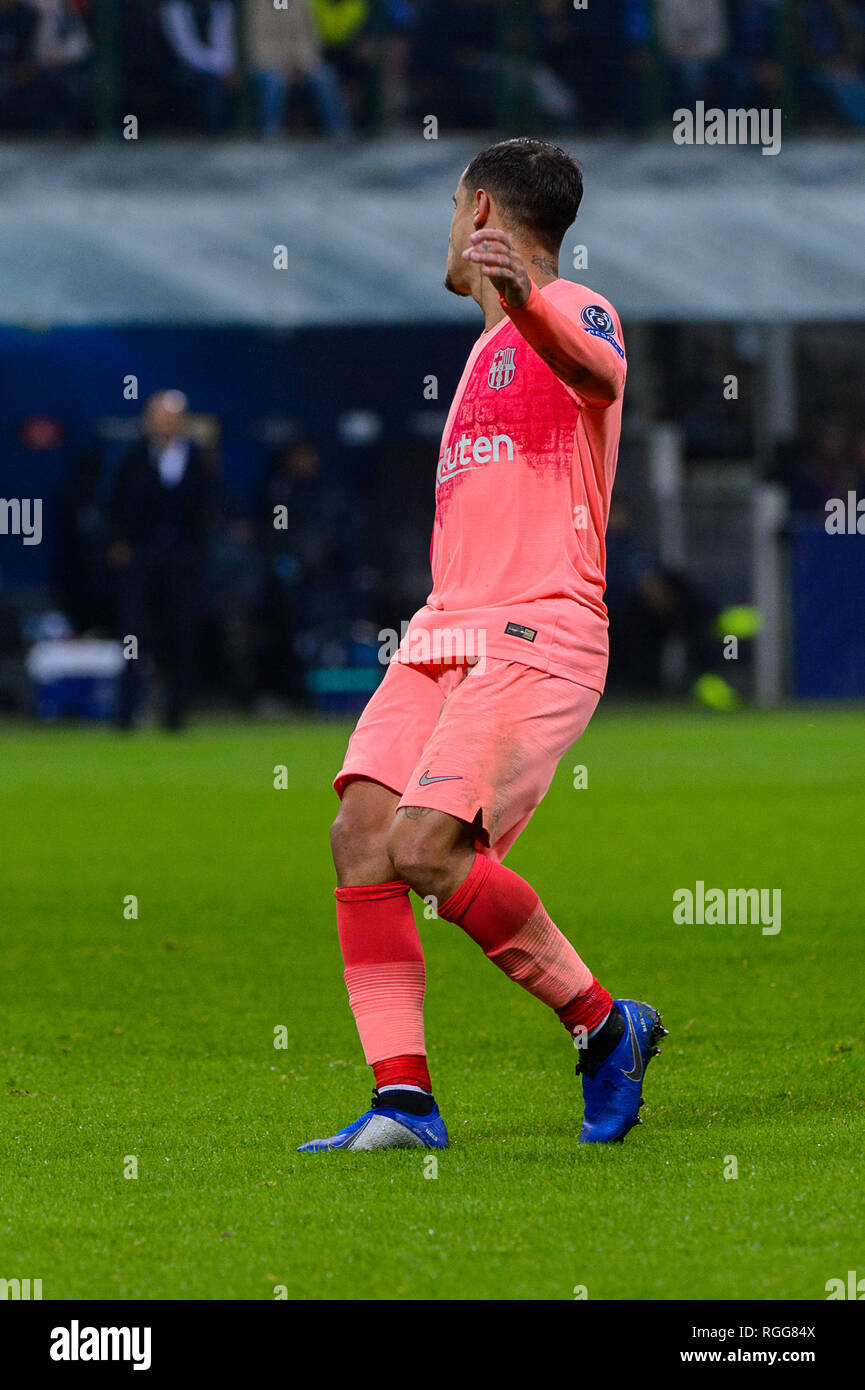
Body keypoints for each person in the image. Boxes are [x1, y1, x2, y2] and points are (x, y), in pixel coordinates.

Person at [299, 138, 666, 1155]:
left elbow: (597, 369)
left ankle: (603, 1025)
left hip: (535, 627)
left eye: (453, 208)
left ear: (480, 212)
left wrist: (533, 301)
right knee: (362, 834)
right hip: (443, 628)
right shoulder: (479, 351)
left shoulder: (576, 309)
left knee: (427, 847)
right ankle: (404, 1102)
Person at [107, 390, 216, 731]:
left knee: (179, 638)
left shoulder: (199, 460)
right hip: (142, 562)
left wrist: (196, 553)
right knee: (134, 638)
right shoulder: (133, 458)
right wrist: (121, 545)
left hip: (182, 564)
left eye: (171, 418)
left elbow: (208, 509)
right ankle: (125, 716)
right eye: (159, 417)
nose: (165, 424)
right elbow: (116, 504)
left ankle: (175, 718)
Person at [245, 0, 349, 137]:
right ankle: (270, 135)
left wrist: (300, 62)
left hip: (301, 63)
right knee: (273, 80)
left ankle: (339, 133)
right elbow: (255, 46)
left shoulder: (301, 3)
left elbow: (310, 39)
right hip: (268, 64)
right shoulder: (253, 5)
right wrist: (284, 64)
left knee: (325, 75)